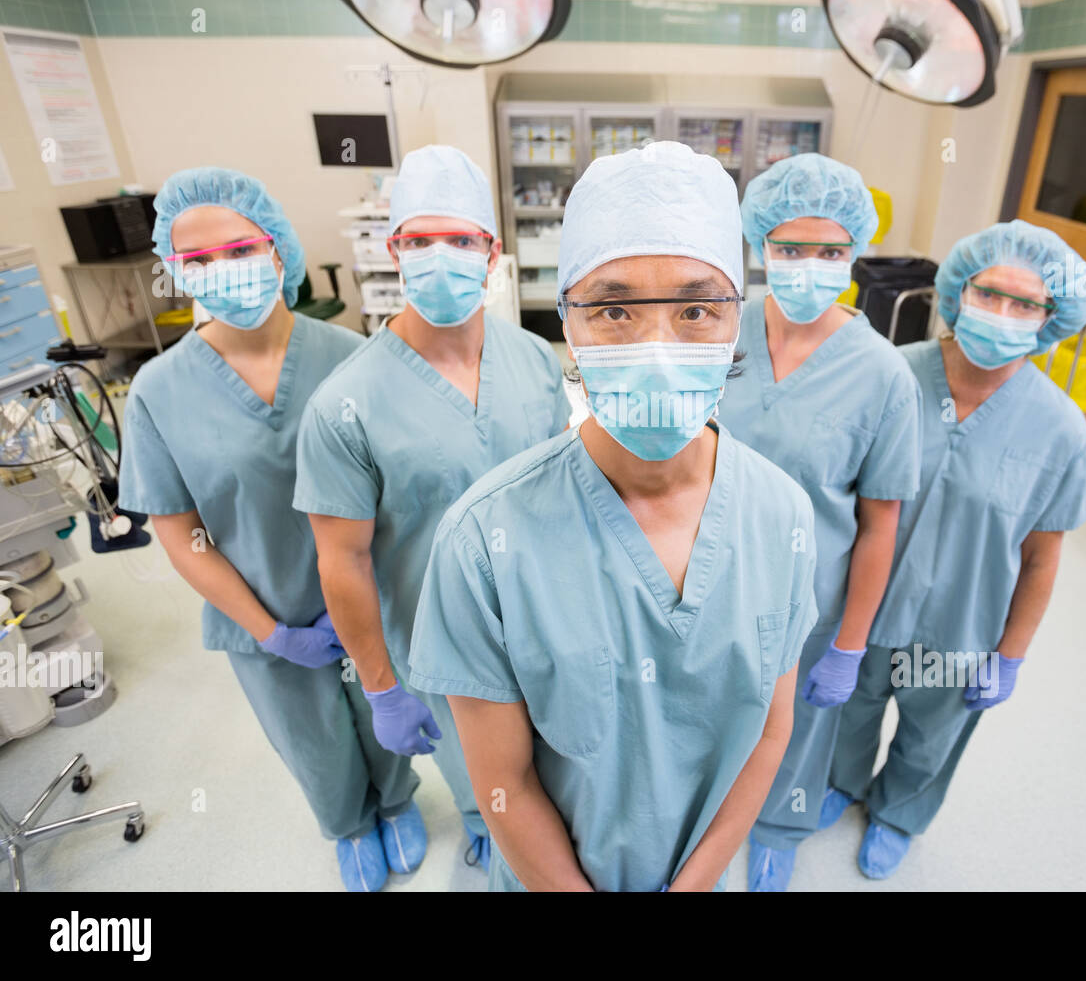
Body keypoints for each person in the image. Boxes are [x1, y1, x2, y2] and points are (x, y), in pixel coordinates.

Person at [407, 141, 819, 892]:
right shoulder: (485, 542)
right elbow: (503, 784)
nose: (656, 347)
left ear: (737, 318)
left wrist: (696, 883)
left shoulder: (780, 516)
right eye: (614, 308)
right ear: (567, 320)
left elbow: (769, 733)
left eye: (696, 308)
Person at [119, 167, 416, 892]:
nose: (225, 272)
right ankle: (347, 826)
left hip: (369, 598)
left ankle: (398, 800)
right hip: (263, 613)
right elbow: (179, 530)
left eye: (240, 250)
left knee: (385, 711)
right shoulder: (160, 392)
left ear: (278, 250)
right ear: (177, 275)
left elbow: (398, 491)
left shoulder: (352, 358)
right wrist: (269, 628)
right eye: (200, 262)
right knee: (312, 739)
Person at [293, 145, 569, 872]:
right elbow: (343, 559)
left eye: (461, 240)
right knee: (479, 771)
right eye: (420, 241)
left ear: (493, 252)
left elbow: (562, 485)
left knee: (555, 758)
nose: (441, 257)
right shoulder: (344, 406)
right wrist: (382, 688)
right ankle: (482, 818)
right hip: (438, 638)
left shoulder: (535, 359)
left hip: (543, 614)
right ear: (393, 251)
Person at [825, 219, 1086, 879]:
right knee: (847, 717)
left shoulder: (1059, 427)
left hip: (961, 628)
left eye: (1025, 303)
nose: (1002, 314)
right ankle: (840, 783)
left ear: (1050, 316)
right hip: (861, 612)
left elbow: (1041, 557)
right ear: (956, 294)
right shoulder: (889, 378)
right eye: (989, 293)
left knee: (930, 738)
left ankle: (898, 815)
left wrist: (1011, 655)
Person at [717, 153, 921, 891]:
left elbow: (879, 522)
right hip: (703, 578)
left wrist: (849, 643)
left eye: (829, 252)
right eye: (790, 249)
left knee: (798, 726)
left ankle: (780, 825)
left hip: (812, 596)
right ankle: (712, 816)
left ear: (855, 254)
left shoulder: (881, 373)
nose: (808, 266)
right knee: (707, 707)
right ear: (759, 244)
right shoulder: (715, 332)